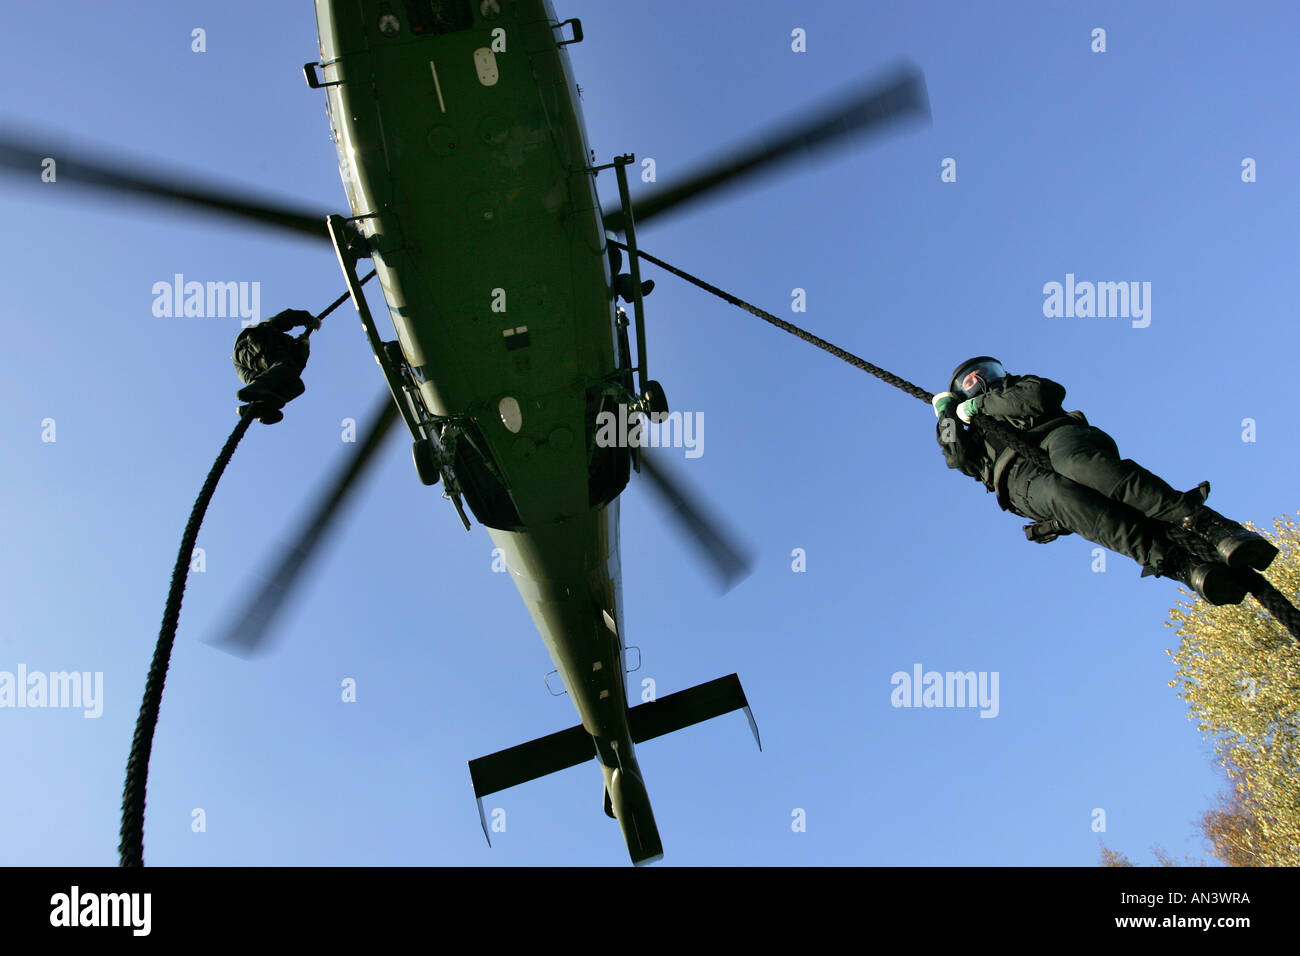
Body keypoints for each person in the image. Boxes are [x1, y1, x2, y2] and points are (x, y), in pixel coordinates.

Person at [932, 356, 1277, 606]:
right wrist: (947, 414)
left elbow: (1043, 396)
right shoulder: (971, 432)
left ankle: (1210, 526)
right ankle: (1180, 565)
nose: (977, 378)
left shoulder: (1017, 387)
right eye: (968, 379)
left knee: (1079, 465)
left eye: (983, 371)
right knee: (1062, 496)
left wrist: (986, 403)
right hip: (1020, 479)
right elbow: (956, 456)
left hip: (1058, 438)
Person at [232, 308, 319, 425]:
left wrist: (304, 346)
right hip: (254, 339)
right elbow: (287, 317)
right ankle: (256, 393)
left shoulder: (287, 363)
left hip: (247, 362)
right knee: (287, 367)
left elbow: (297, 367)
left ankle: (260, 407)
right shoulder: (270, 331)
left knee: (297, 385)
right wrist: (308, 318)